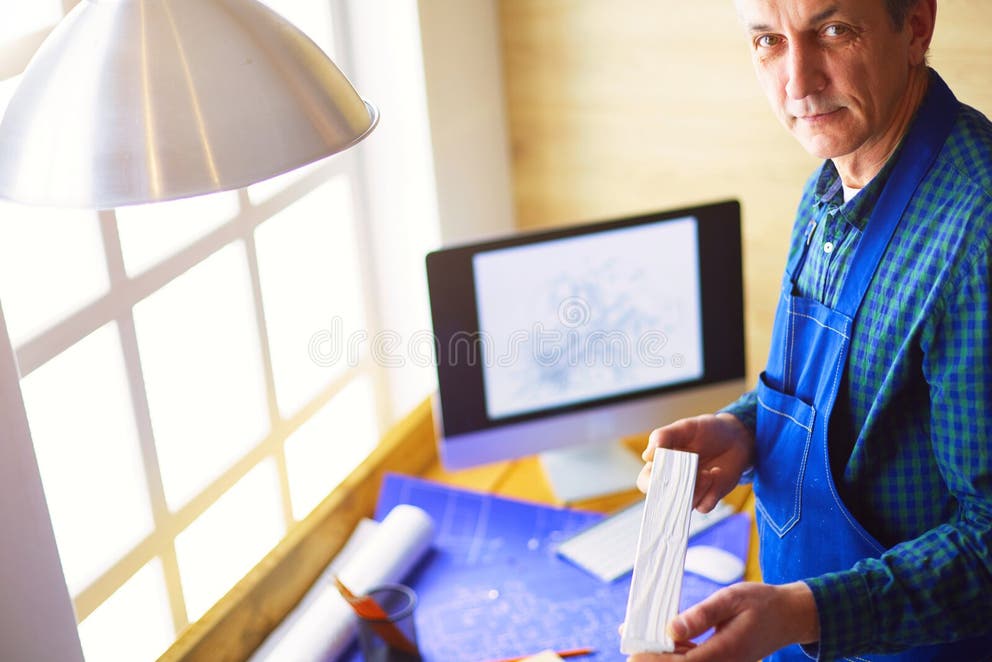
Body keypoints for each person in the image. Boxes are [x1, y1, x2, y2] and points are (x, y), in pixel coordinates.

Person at [629, 0, 992, 660]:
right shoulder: (830, 184)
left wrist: (801, 612)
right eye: (769, 41)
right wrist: (744, 429)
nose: (798, 83)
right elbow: (844, 396)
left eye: (832, 31)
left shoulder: (979, 231)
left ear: (915, 27)